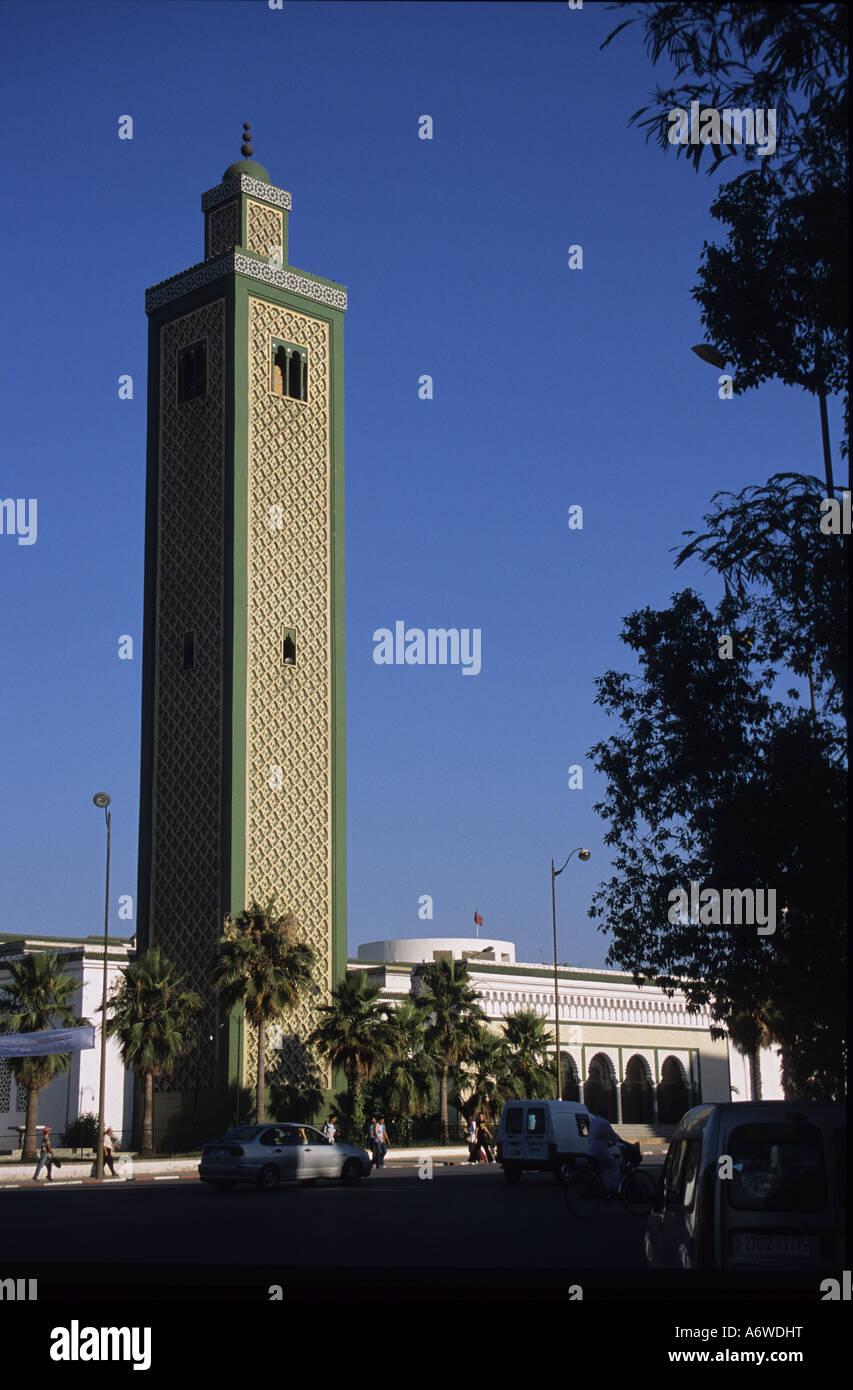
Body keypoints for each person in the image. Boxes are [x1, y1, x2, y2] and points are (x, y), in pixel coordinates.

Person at [587, 1106, 626, 1194]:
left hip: (590, 1150)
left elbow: (600, 1135)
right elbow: (613, 1135)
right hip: (599, 1150)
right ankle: (610, 1189)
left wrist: (608, 1142)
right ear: (604, 1113)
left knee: (603, 1168)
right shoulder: (604, 1122)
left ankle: (603, 1187)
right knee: (614, 1167)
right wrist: (624, 1142)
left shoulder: (594, 1121)